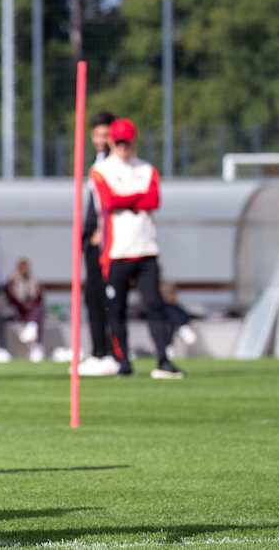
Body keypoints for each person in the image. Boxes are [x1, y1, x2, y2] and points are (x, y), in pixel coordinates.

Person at [90, 117, 184, 379]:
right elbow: (109, 201)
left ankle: (163, 360)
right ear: (111, 142)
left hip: (146, 249)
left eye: (126, 143)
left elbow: (153, 199)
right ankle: (123, 361)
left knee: (154, 304)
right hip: (117, 252)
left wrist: (127, 201)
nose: (123, 148)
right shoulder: (102, 170)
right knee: (116, 308)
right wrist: (135, 200)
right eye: (118, 143)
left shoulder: (147, 169)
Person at [78, 111, 120, 376]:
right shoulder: (96, 163)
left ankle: (113, 351)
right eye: (97, 134)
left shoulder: (116, 165)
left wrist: (103, 230)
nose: (101, 139)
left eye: (106, 135)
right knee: (92, 296)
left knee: (109, 297)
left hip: (110, 240)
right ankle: (97, 351)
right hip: (91, 238)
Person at [4, 258, 45, 362]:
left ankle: (35, 345)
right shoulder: (12, 280)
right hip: (17, 310)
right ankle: (32, 327)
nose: (24, 270)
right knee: (34, 318)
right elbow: (11, 298)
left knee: (39, 310)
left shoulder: (33, 280)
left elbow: (38, 297)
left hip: (30, 310)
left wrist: (29, 304)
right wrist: (24, 305)